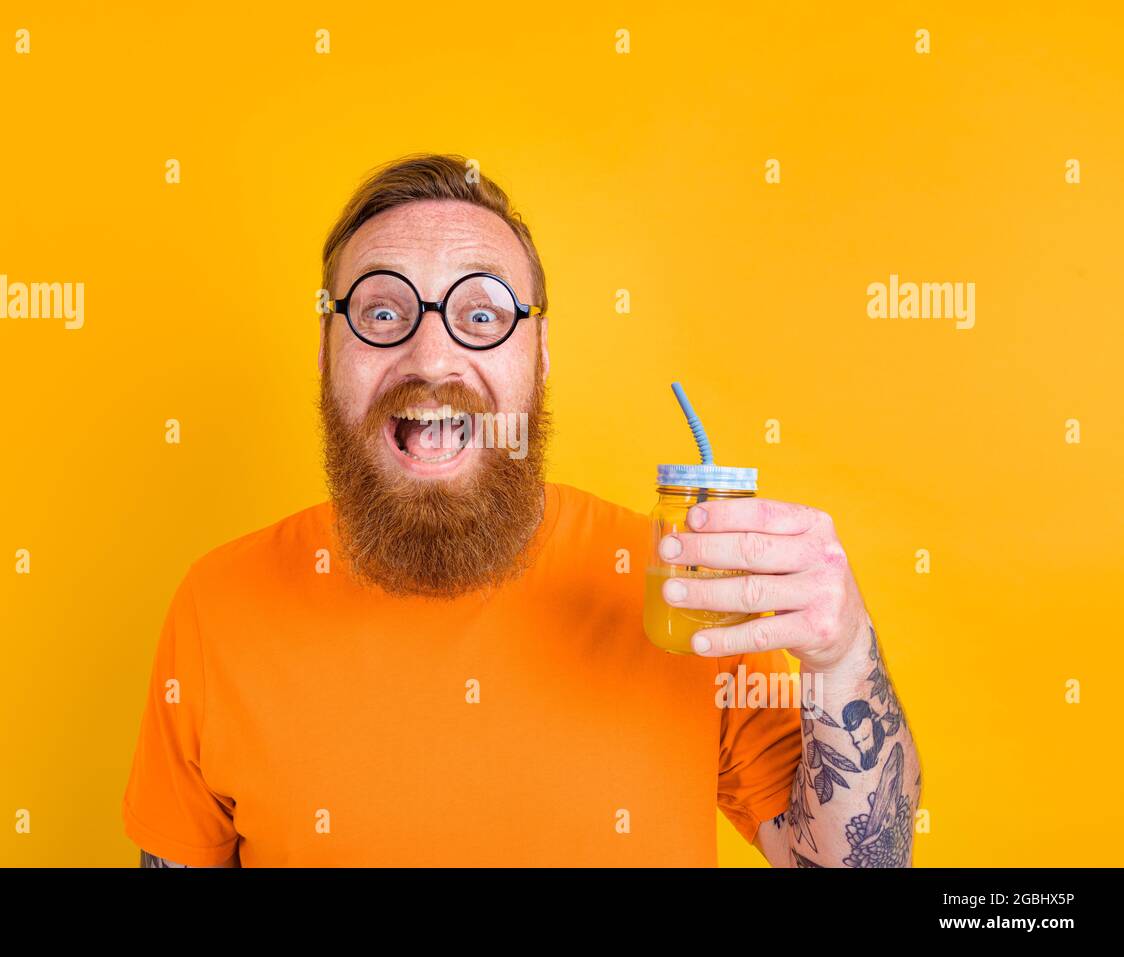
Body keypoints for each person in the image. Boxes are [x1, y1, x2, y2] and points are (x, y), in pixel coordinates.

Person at [122, 153, 921, 867]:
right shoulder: (216, 607)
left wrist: (843, 652)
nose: (431, 357)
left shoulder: (681, 591)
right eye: (381, 314)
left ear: (540, 355)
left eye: (481, 315)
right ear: (328, 352)